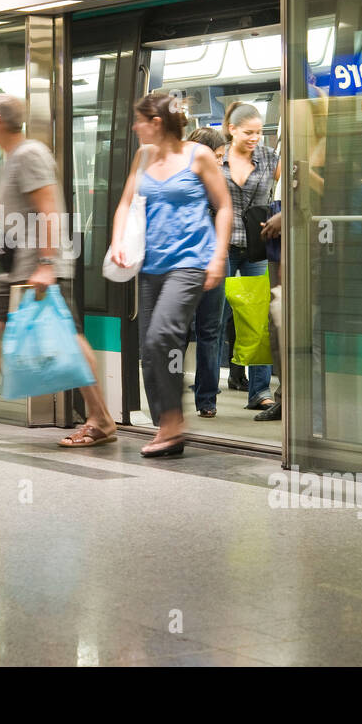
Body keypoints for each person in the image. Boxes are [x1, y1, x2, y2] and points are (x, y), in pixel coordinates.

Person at [0, 93, 117, 447]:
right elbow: (28, 214)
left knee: (69, 340)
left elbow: (49, 210)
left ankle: (101, 419)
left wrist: (46, 264)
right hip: (17, 267)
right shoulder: (14, 157)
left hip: (36, 268)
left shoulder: (28, 154)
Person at [111, 93, 231, 457]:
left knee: (163, 335)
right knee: (150, 349)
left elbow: (224, 206)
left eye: (139, 120)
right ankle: (168, 429)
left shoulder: (200, 156)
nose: (135, 127)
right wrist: (118, 240)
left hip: (192, 262)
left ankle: (172, 423)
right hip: (151, 267)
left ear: (157, 122)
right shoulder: (143, 157)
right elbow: (126, 203)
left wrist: (219, 257)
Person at [221, 102, 280, 420]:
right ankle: (209, 391)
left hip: (258, 245)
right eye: (249, 133)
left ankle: (260, 392)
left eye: (259, 132)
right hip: (224, 245)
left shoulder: (269, 158)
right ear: (232, 130)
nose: (255, 138)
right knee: (217, 317)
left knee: (260, 318)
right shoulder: (218, 158)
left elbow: (294, 186)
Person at [185, 126, 228, 418]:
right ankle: (168, 399)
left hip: (212, 262)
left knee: (210, 331)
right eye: (218, 156)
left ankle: (207, 398)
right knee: (175, 333)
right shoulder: (181, 180)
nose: (221, 163)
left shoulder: (217, 180)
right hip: (184, 263)